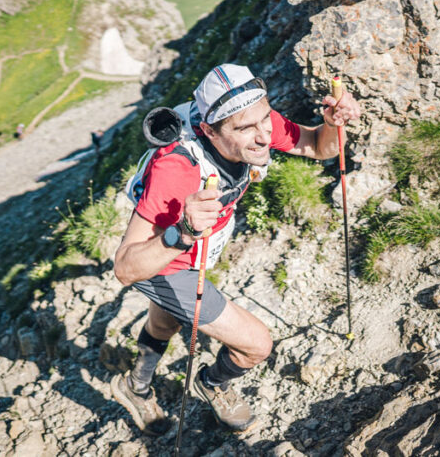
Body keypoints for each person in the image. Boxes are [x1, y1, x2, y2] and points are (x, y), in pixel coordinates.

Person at [111, 64, 360, 435]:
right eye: (245, 129)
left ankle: (135, 387)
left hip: (195, 247)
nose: (263, 137)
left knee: (166, 321)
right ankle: (212, 384)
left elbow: (318, 147)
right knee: (257, 345)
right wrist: (182, 231)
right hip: (165, 258)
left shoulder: (251, 116)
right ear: (210, 130)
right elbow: (125, 268)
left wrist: (333, 123)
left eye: (264, 121)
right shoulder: (176, 170)